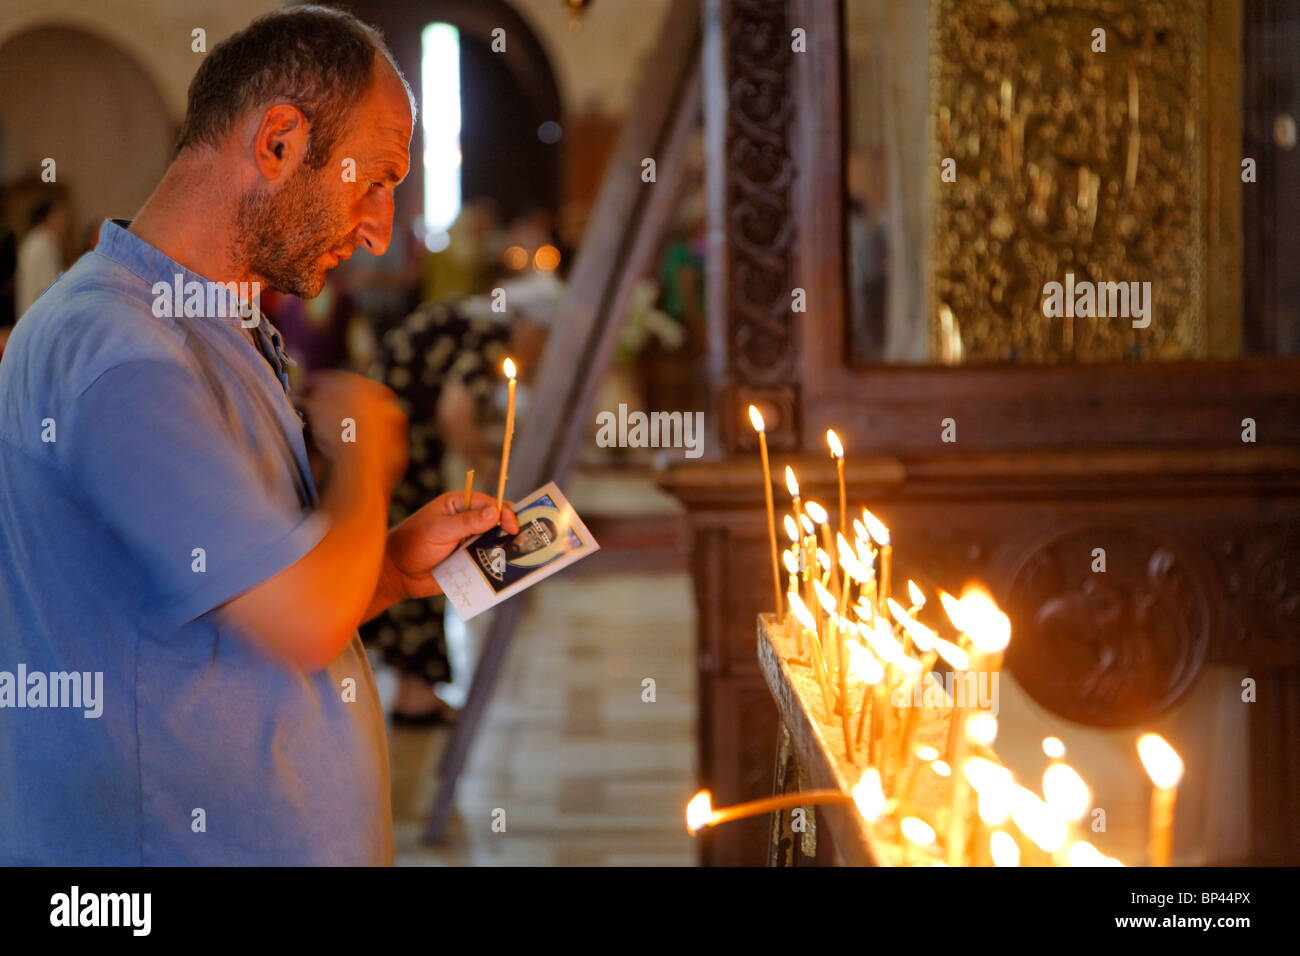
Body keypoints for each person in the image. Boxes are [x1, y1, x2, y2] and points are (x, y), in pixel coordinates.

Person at [0, 6, 517, 866]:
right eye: (375, 179)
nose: (379, 227)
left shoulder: (211, 322)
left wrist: (386, 564)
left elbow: (234, 606)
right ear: (277, 141)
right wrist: (365, 458)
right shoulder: (121, 348)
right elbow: (298, 619)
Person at [15, 197, 67, 316]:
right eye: (61, 216)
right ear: (50, 217)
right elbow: (50, 285)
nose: (64, 222)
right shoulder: (44, 243)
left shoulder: (34, 240)